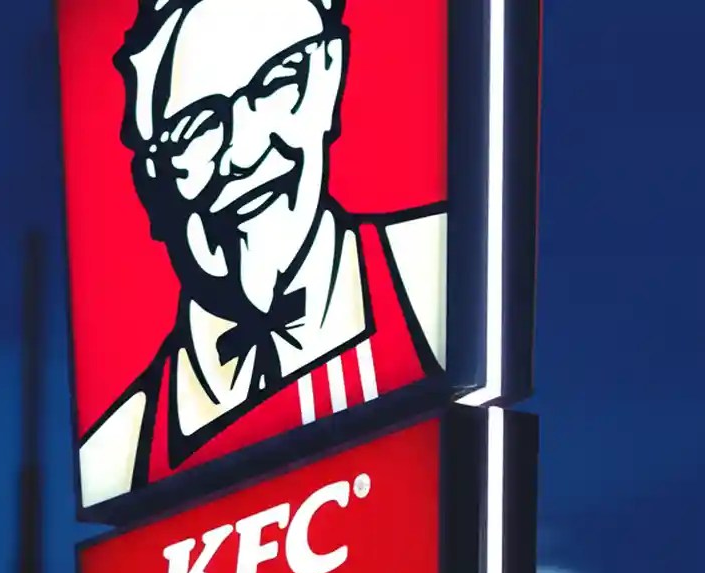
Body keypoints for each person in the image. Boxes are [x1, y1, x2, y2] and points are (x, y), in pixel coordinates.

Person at [79, 0, 447, 506]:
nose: (245, 152)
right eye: (197, 126)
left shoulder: (438, 283)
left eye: (277, 84)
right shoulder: (116, 454)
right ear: (152, 179)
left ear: (329, 80)